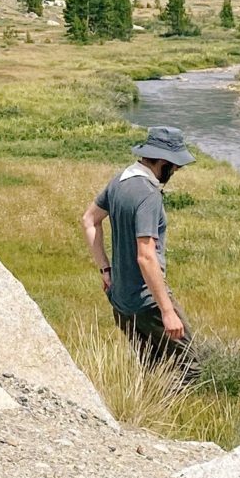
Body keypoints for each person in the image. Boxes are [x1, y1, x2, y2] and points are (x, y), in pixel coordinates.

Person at [82, 124, 192, 370]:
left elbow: (89, 220)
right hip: (146, 301)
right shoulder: (148, 195)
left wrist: (105, 270)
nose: (175, 170)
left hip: (120, 300)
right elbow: (146, 257)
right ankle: (179, 408)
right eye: (175, 165)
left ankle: (148, 406)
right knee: (190, 367)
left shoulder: (120, 181)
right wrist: (167, 311)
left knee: (151, 366)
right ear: (163, 161)